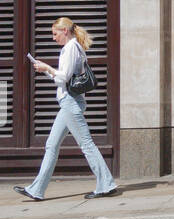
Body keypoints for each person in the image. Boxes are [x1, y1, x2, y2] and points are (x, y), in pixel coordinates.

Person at [15, 18, 118, 201]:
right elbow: (60, 80)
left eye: (55, 34)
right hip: (67, 102)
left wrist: (47, 67)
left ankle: (106, 184)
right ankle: (36, 189)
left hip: (71, 102)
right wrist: (45, 70)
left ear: (65, 31)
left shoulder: (71, 48)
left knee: (86, 144)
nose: (53, 38)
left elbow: (64, 76)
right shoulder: (69, 48)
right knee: (51, 145)